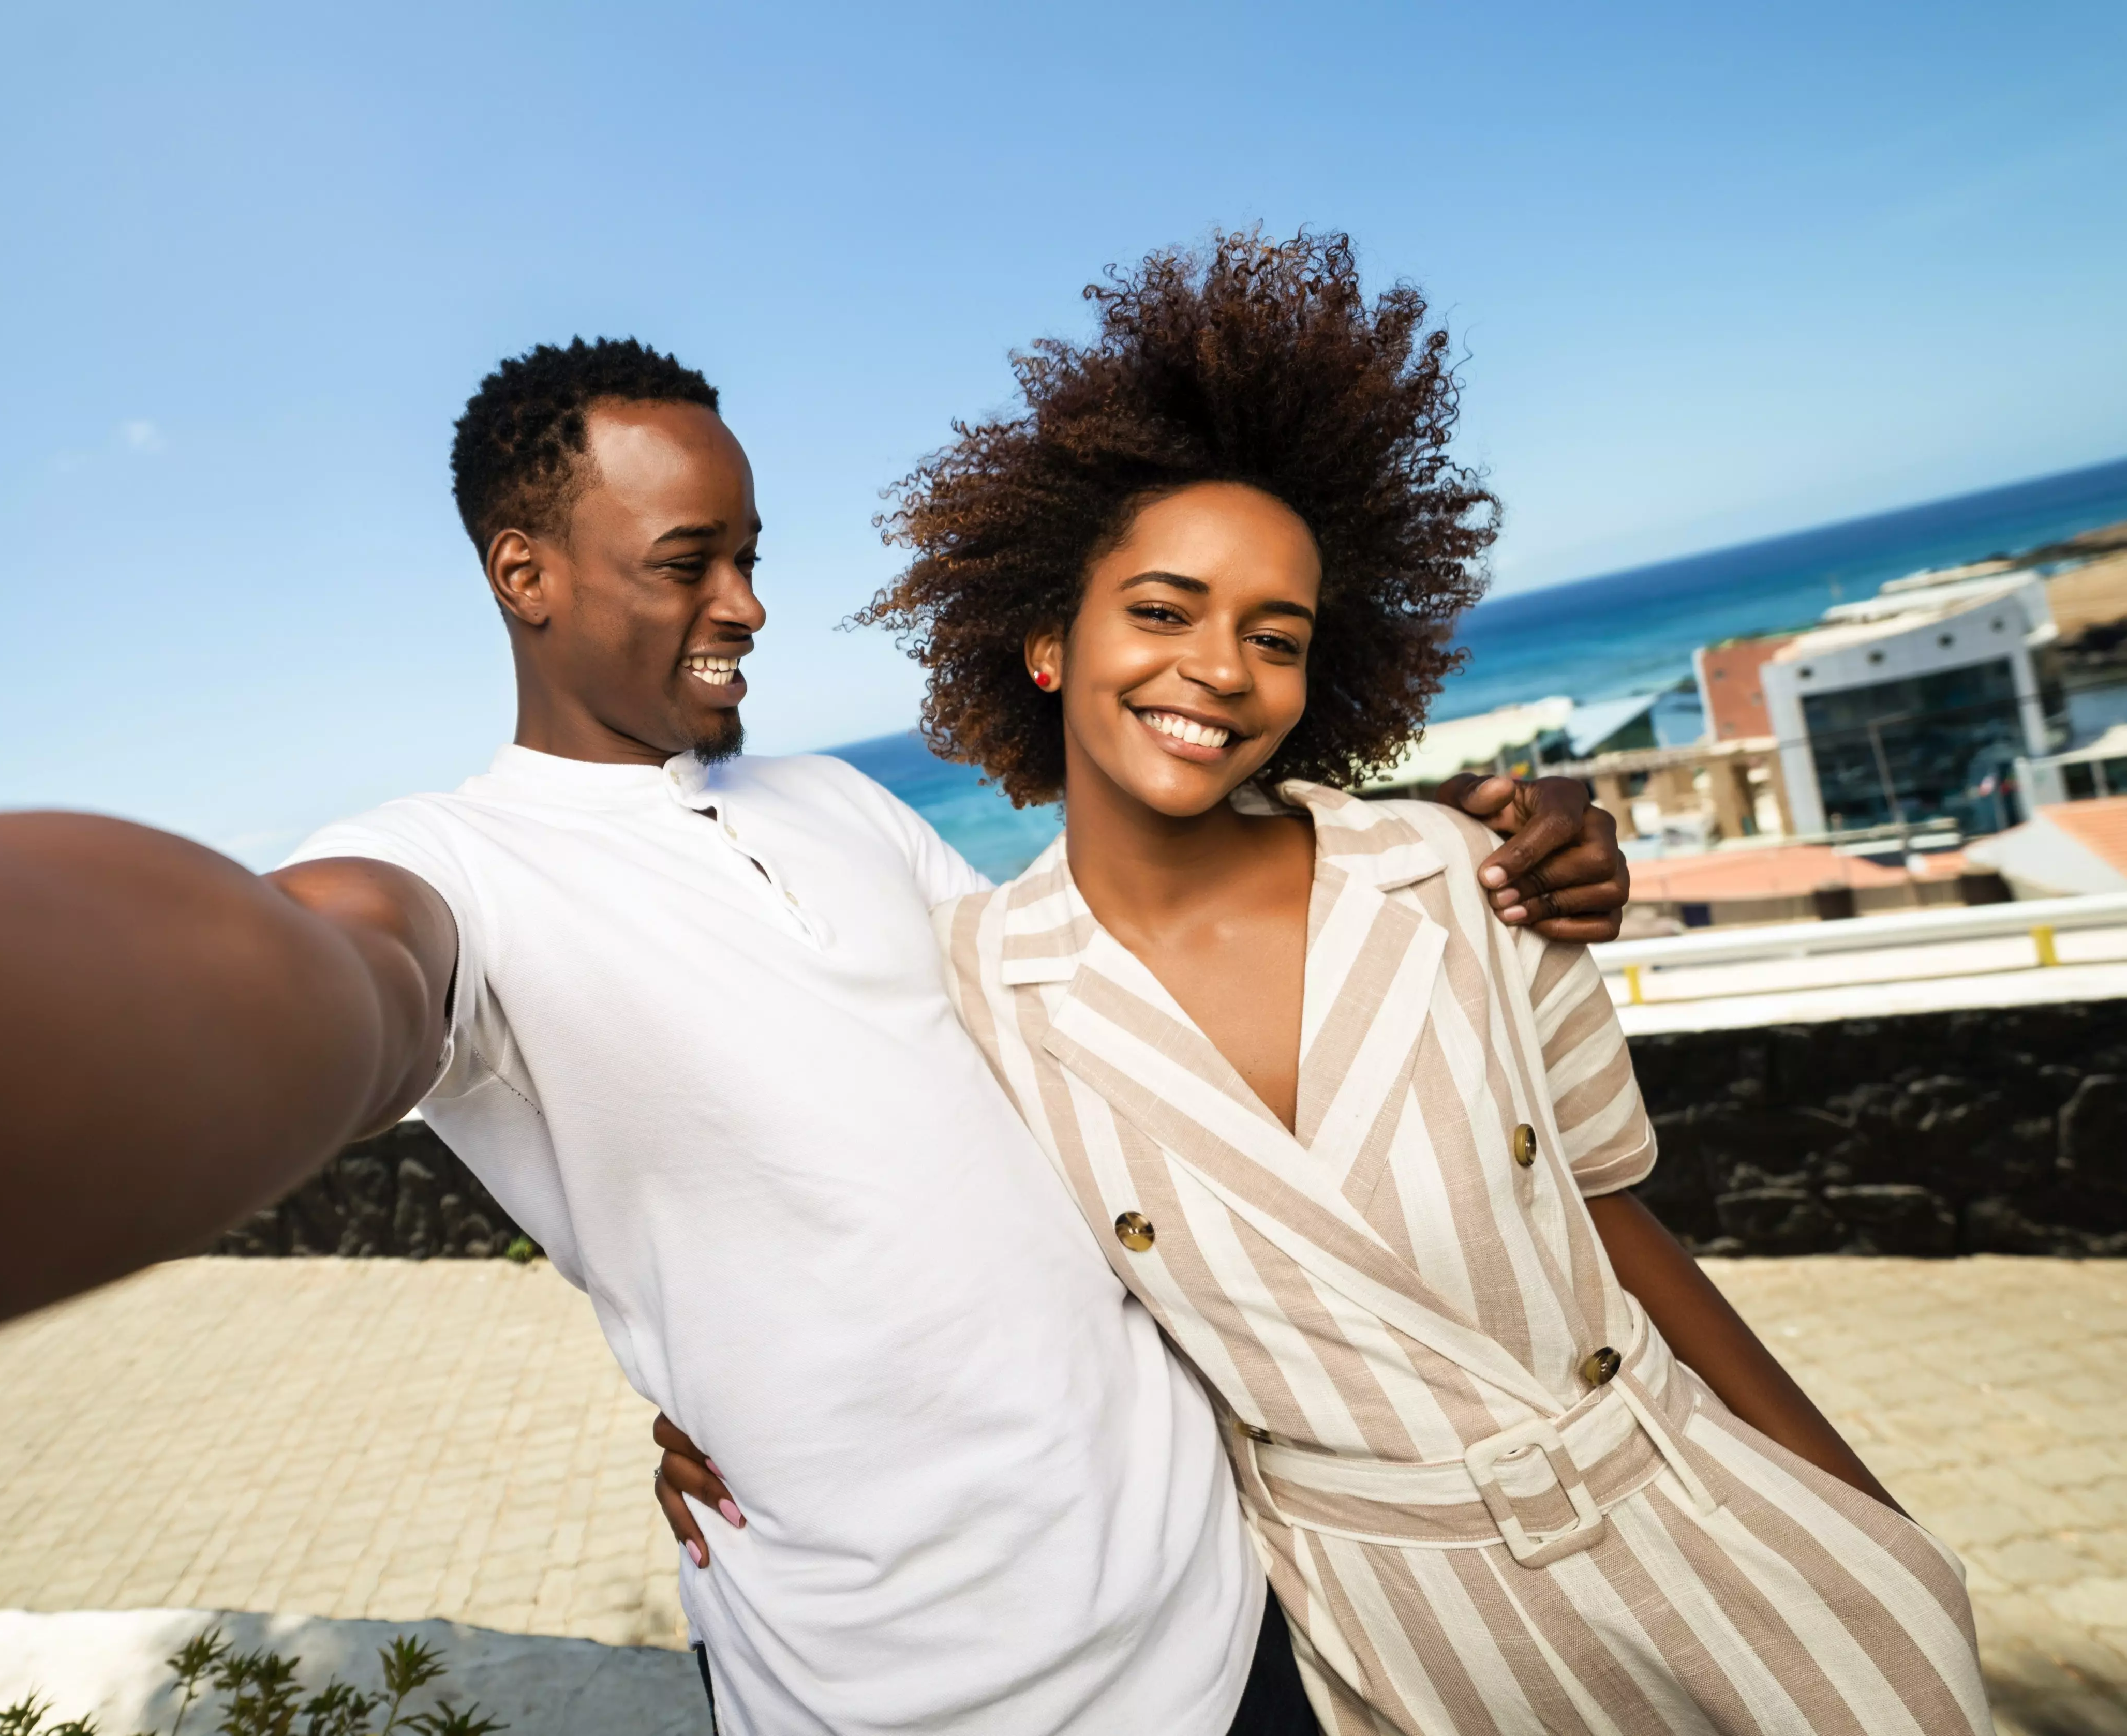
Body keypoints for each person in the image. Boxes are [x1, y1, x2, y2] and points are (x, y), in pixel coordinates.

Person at [0, 337, 1624, 1730]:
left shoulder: (834, 798)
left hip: (1233, 1613)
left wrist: (1458, 847)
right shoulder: (445, 866)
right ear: (528, 571)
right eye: (685, 560)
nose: (745, 605)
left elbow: (1091, 1028)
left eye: (750, 556)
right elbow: (314, 975)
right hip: (902, 1699)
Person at [823, 229, 1987, 1733]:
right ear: (1050, 640)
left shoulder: (1453, 873)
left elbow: (1616, 1220)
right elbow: (901, 1264)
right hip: (1394, 1632)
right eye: (1163, 611)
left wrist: (1876, 1534)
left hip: (1704, 1535)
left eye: (1277, 635)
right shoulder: (981, 992)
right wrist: (723, 1416)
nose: (1220, 668)